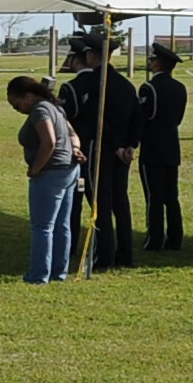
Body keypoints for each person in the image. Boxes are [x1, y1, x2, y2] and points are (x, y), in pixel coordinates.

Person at [63, 37, 140, 272]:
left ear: (91, 55)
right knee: (121, 203)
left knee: (100, 204)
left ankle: (103, 256)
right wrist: (130, 145)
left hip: (101, 149)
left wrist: (116, 146)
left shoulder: (93, 83)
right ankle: (125, 254)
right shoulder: (126, 84)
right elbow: (137, 118)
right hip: (123, 152)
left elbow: (96, 119)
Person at [8, 75, 78, 284]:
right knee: (62, 225)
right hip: (69, 170)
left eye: (17, 104)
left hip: (50, 173)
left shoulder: (40, 110)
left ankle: (38, 275)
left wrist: (36, 169)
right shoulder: (56, 107)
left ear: (28, 96)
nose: (17, 109)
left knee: (42, 227)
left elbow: (49, 142)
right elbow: (72, 133)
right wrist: (75, 149)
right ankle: (59, 272)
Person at [136, 42, 188, 252]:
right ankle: (175, 237)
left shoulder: (148, 88)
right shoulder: (180, 88)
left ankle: (155, 239)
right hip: (172, 145)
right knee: (171, 196)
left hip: (153, 146)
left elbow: (142, 117)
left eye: (152, 59)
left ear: (158, 63)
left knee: (154, 197)